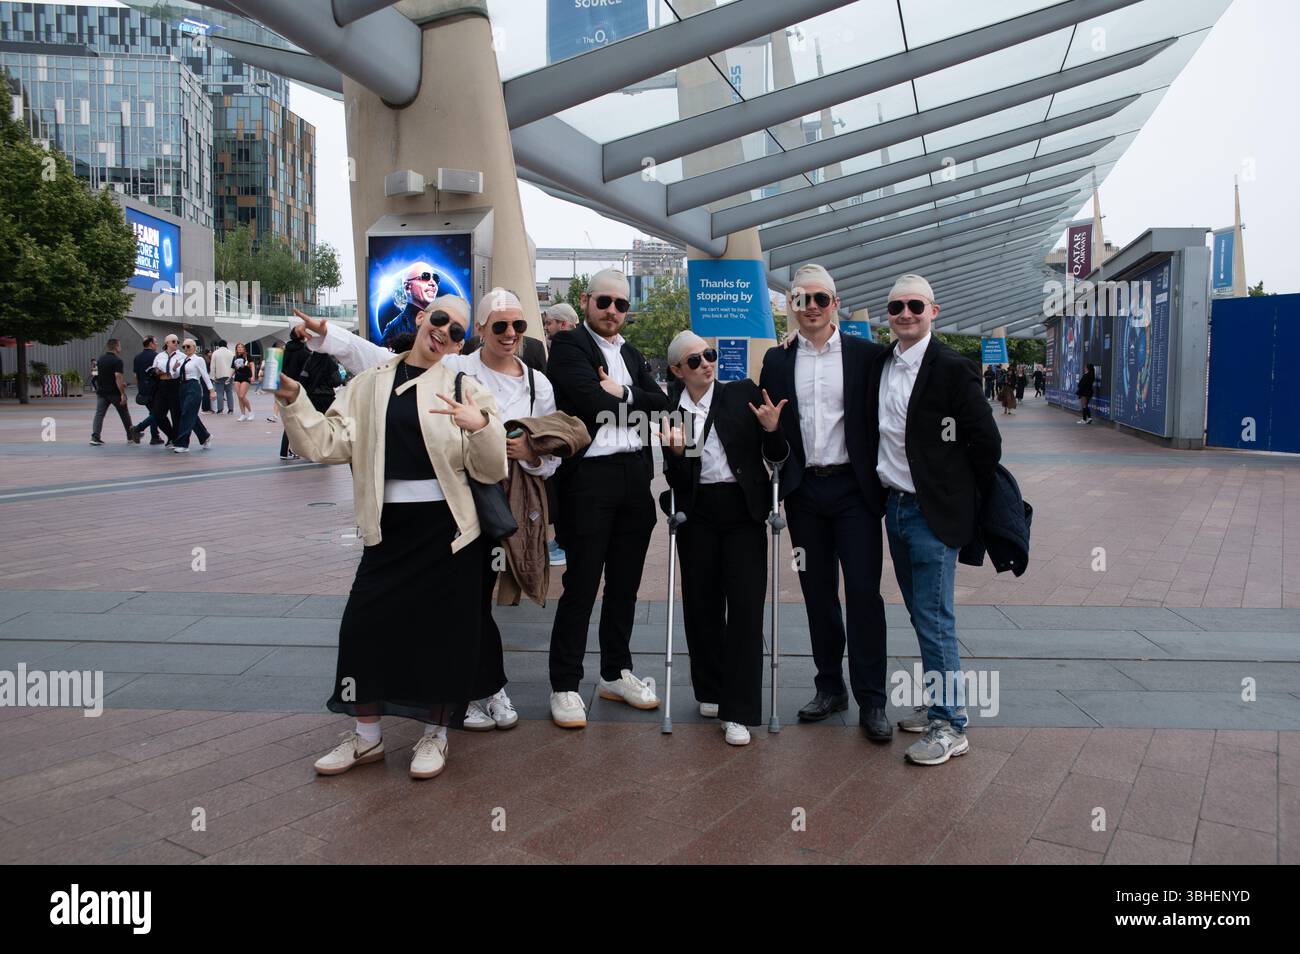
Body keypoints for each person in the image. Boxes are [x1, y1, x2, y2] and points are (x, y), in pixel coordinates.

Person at [276, 294, 508, 782]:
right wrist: (294, 401)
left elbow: (492, 468)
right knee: (364, 628)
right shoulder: (370, 382)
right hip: (387, 531)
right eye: (440, 319)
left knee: (444, 637)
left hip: (451, 534)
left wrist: (481, 426)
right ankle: (366, 737)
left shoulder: (465, 387)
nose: (446, 331)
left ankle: (436, 735)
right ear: (423, 318)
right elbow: (328, 444)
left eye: (459, 331)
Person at [868, 273, 1001, 765]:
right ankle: (938, 705)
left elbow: (986, 443)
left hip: (930, 514)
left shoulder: (952, 367)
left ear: (933, 312)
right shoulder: (883, 364)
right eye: (897, 307)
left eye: (915, 307)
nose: (905, 314)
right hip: (894, 507)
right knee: (921, 614)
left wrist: (953, 492)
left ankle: (951, 724)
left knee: (935, 618)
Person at [758, 264, 892, 741]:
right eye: (801, 299)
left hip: (854, 491)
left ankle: (872, 700)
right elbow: (769, 441)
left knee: (862, 593)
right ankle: (829, 686)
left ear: (835, 302)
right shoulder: (776, 361)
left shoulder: (868, 356)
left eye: (819, 298)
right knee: (817, 594)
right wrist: (772, 434)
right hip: (804, 493)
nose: (810, 306)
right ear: (791, 305)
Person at [545, 268, 669, 729]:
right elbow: (588, 402)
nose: (613, 311)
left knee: (625, 584)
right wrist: (625, 399)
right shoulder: (570, 346)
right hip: (589, 478)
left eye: (621, 305)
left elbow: (664, 404)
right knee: (581, 583)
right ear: (585, 301)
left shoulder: (632, 354)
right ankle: (564, 684)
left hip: (636, 477)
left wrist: (623, 392)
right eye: (605, 302)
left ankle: (615, 672)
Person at [661, 331, 788, 746]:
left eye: (709, 356)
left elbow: (776, 455)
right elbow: (677, 480)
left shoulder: (742, 394)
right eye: (694, 361)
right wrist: (677, 456)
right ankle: (711, 688)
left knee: (747, 609)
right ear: (678, 370)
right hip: (697, 515)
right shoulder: (672, 412)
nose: (706, 364)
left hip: (742, 511)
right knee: (702, 606)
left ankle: (740, 710)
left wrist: (772, 431)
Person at [278, 325, 340, 460]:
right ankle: (323, 450)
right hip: (325, 396)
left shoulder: (289, 352)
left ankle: (284, 450)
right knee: (325, 424)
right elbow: (336, 380)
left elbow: (303, 377)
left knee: (293, 420)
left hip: (300, 392)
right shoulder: (317, 357)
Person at [378, 263, 441, 348]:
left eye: (435, 278)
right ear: (407, 287)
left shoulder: (443, 321)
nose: (433, 283)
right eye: (425, 277)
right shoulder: (395, 328)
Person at [171, 339, 214, 454]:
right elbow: (175, 375)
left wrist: (211, 390)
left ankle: (183, 444)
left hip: (193, 386)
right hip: (182, 387)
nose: (186, 348)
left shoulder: (198, 359)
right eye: (184, 347)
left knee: (186, 414)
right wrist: (174, 368)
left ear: (194, 347)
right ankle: (205, 436)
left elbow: (205, 375)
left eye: (188, 346)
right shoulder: (182, 360)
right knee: (190, 414)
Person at [89, 339, 135, 446]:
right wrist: (122, 393)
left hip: (102, 392)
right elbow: (118, 376)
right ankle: (130, 436)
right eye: (120, 346)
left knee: (99, 414)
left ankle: (95, 437)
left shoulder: (100, 360)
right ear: (116, 347)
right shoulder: (117, 361)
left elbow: (95, 374)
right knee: (124, 413)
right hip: (114, 392)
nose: (120, 348)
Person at [130, 336, 167, 445]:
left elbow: (136, 376)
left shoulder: (137, 357)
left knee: (153, 412)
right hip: (155, 389)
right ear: (150, 343)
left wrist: (140, 388)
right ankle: (138, 429)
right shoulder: (156, 356)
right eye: (155, 342)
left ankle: (155, 436)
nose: (157, 345)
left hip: (143, 390)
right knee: (157, 413)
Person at [150, 334, 185, 446]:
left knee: (176, 414)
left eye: (177, 341)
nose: (176, 343)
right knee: (158, 414)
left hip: (175, 384)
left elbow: (180, 371)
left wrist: (172, 370)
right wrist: (159, 372)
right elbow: (155, 369)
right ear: (167, 343)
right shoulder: (160, 356)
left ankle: (176, 439)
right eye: (173, 341)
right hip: (162, 385)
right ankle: (171, 435)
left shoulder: (181, 356)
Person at [210, 339, 234, 414]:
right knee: (229, 392)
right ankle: (231, 409)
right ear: (226, 344)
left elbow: (212, 366)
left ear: (219, 345)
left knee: (219, 393)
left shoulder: (215, 353)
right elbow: (234, 366)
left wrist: (213, 377)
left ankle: (220, 410)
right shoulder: (231, 353)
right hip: (229, 376)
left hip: (219, 376)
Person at [231, 343, 255, 420]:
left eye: (241, 347)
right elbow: (234, 369)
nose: (240, 348)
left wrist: (253, 376)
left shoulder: (247, 356)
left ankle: (251, 412)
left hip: (246, 377)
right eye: (238, 347)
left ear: (244, 348)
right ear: (236, 349)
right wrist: (229, 377)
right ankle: (243, 414)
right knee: (239, 397)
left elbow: (252, 366)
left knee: (242, 396)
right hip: (237, 377)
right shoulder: (235, 357)